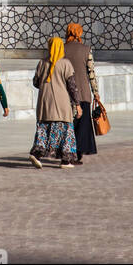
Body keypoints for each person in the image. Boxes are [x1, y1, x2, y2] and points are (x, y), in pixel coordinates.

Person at [30, 36, 81, 168]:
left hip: (44, 102)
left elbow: (36, 82)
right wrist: (77, 104)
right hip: (61, 103)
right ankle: (65, 160)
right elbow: (72, 86)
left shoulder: (42, 63)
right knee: (66, 130)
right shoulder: (66, 64)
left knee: (43, 129)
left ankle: (37, 154)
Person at [63, 21, 100, 163]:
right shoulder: (86, 49)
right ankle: (78, 153)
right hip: (83, 92)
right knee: (82, 125)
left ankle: (67, 152)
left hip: (66, 93)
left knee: (69, 124)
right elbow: (91, 73)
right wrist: (95, 92)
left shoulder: (62, 49)